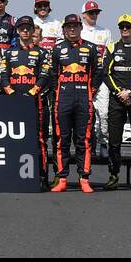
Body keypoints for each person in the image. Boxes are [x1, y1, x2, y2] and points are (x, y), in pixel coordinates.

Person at [47, 14, 101, 192]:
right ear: (63, 29)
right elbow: (52, 74)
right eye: (68, 26)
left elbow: (98, 74)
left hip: (84, 99)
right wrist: (58, 92)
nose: (72, 29)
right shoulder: (57, 49)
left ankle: (84, 177)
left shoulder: (91, 48)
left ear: (80, 28)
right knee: (62, 139)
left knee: (84, 140)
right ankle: (62, 177)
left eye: (75, 26)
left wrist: (90, 92)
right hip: (63, 99)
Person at [1, 15, 53, 189]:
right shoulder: (8, 52)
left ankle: (42, 176)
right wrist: (11, 93)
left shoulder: (43, 53)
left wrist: (31, 93)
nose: (25, 31)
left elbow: (44, 76)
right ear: (17, 30)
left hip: (36, 102)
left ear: (33, 31)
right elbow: (3, 76)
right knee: (12, 139)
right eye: (22, 28)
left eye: (28, 28)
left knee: (39, 140)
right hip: (13, 103)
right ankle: (12, 175)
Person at [100, 14, 131, 191]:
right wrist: (118, 92)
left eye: (128, 26)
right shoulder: (112, 47)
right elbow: (106, 73)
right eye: (122, 26)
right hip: (116, 99)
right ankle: (113, 175)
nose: (125, 29)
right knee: (114, 141)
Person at [79, 0, 113, 164]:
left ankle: (103, 144)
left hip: (101, 78)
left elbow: (109, 56)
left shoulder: (105, 31)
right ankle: (88, 145)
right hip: (84, 78)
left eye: (96, 12)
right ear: (83, 14)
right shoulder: (79, 31)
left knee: (104, 113)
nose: (94, 15)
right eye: (91, 13)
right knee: (85, 115)